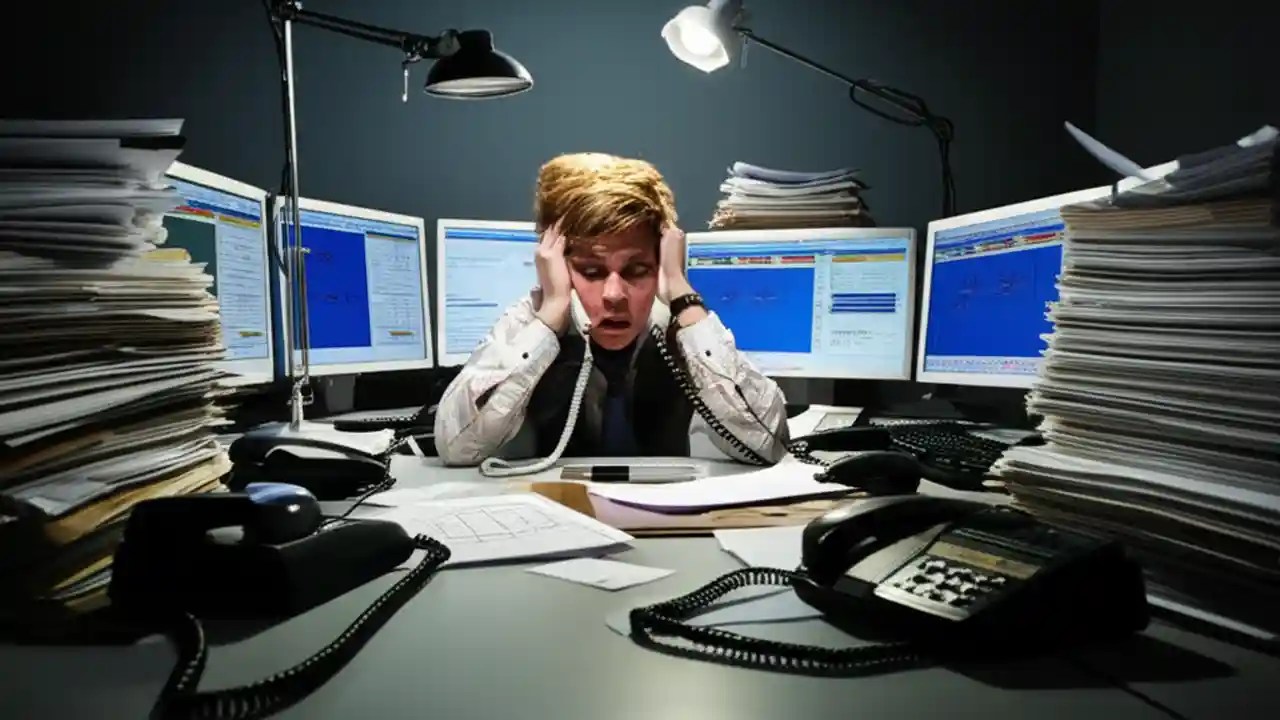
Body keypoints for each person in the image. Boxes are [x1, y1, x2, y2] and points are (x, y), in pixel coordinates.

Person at [433, 152, 790, 466]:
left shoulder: (682, 330)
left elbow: (769, 442)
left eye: (637, 270)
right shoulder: (532, 321)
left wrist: (680, 291)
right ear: (554, 263)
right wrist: (552, 313)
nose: (614, 295)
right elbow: (456, 447)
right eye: (591, 272)